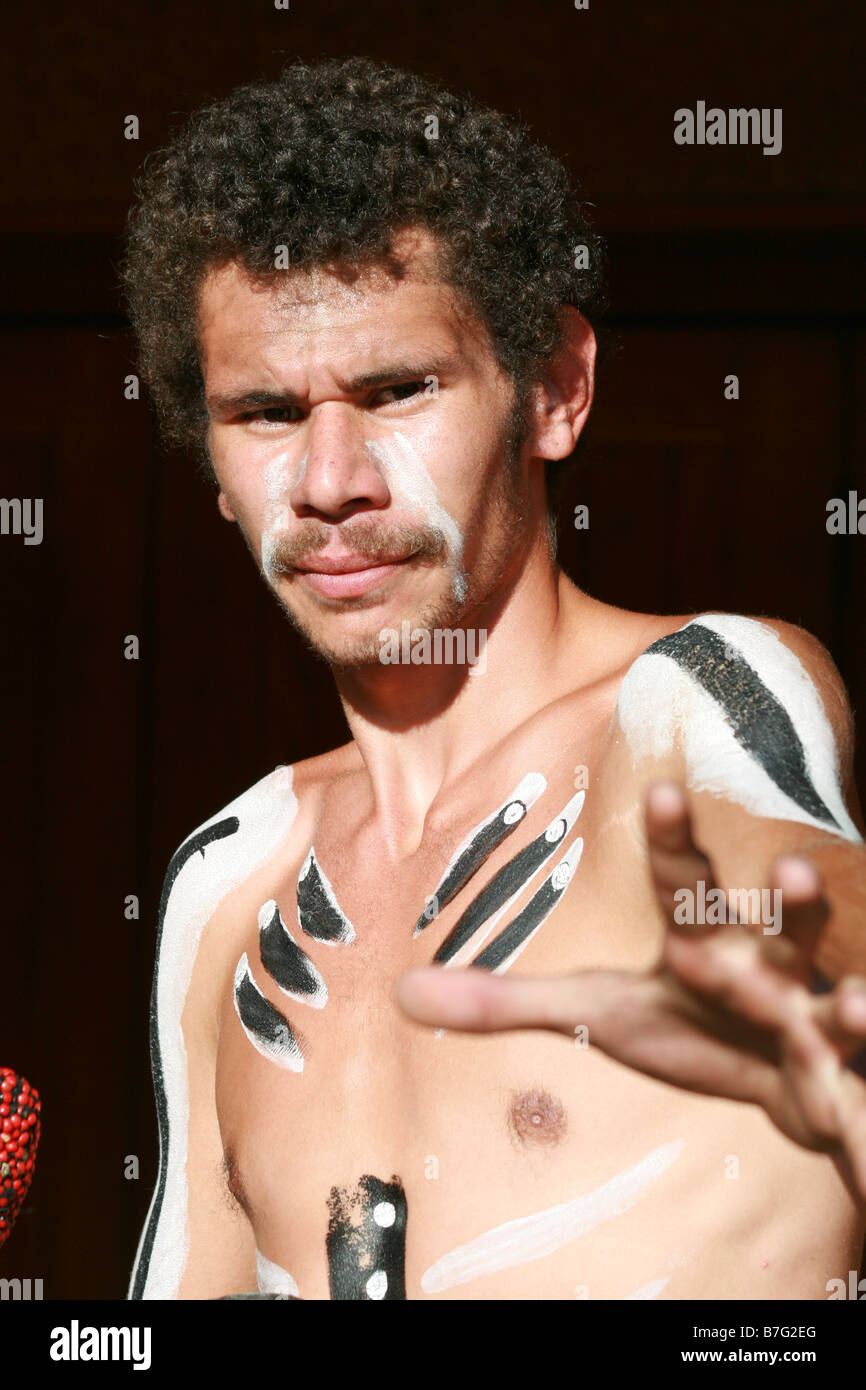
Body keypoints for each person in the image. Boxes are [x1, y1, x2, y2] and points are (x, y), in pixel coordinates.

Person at [123, 56, 866, 1301]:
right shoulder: (227, 879)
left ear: (554, 389)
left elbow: (814, 926)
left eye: (397, 390)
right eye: (263, 412)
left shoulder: (687, 708)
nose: (329, 482)